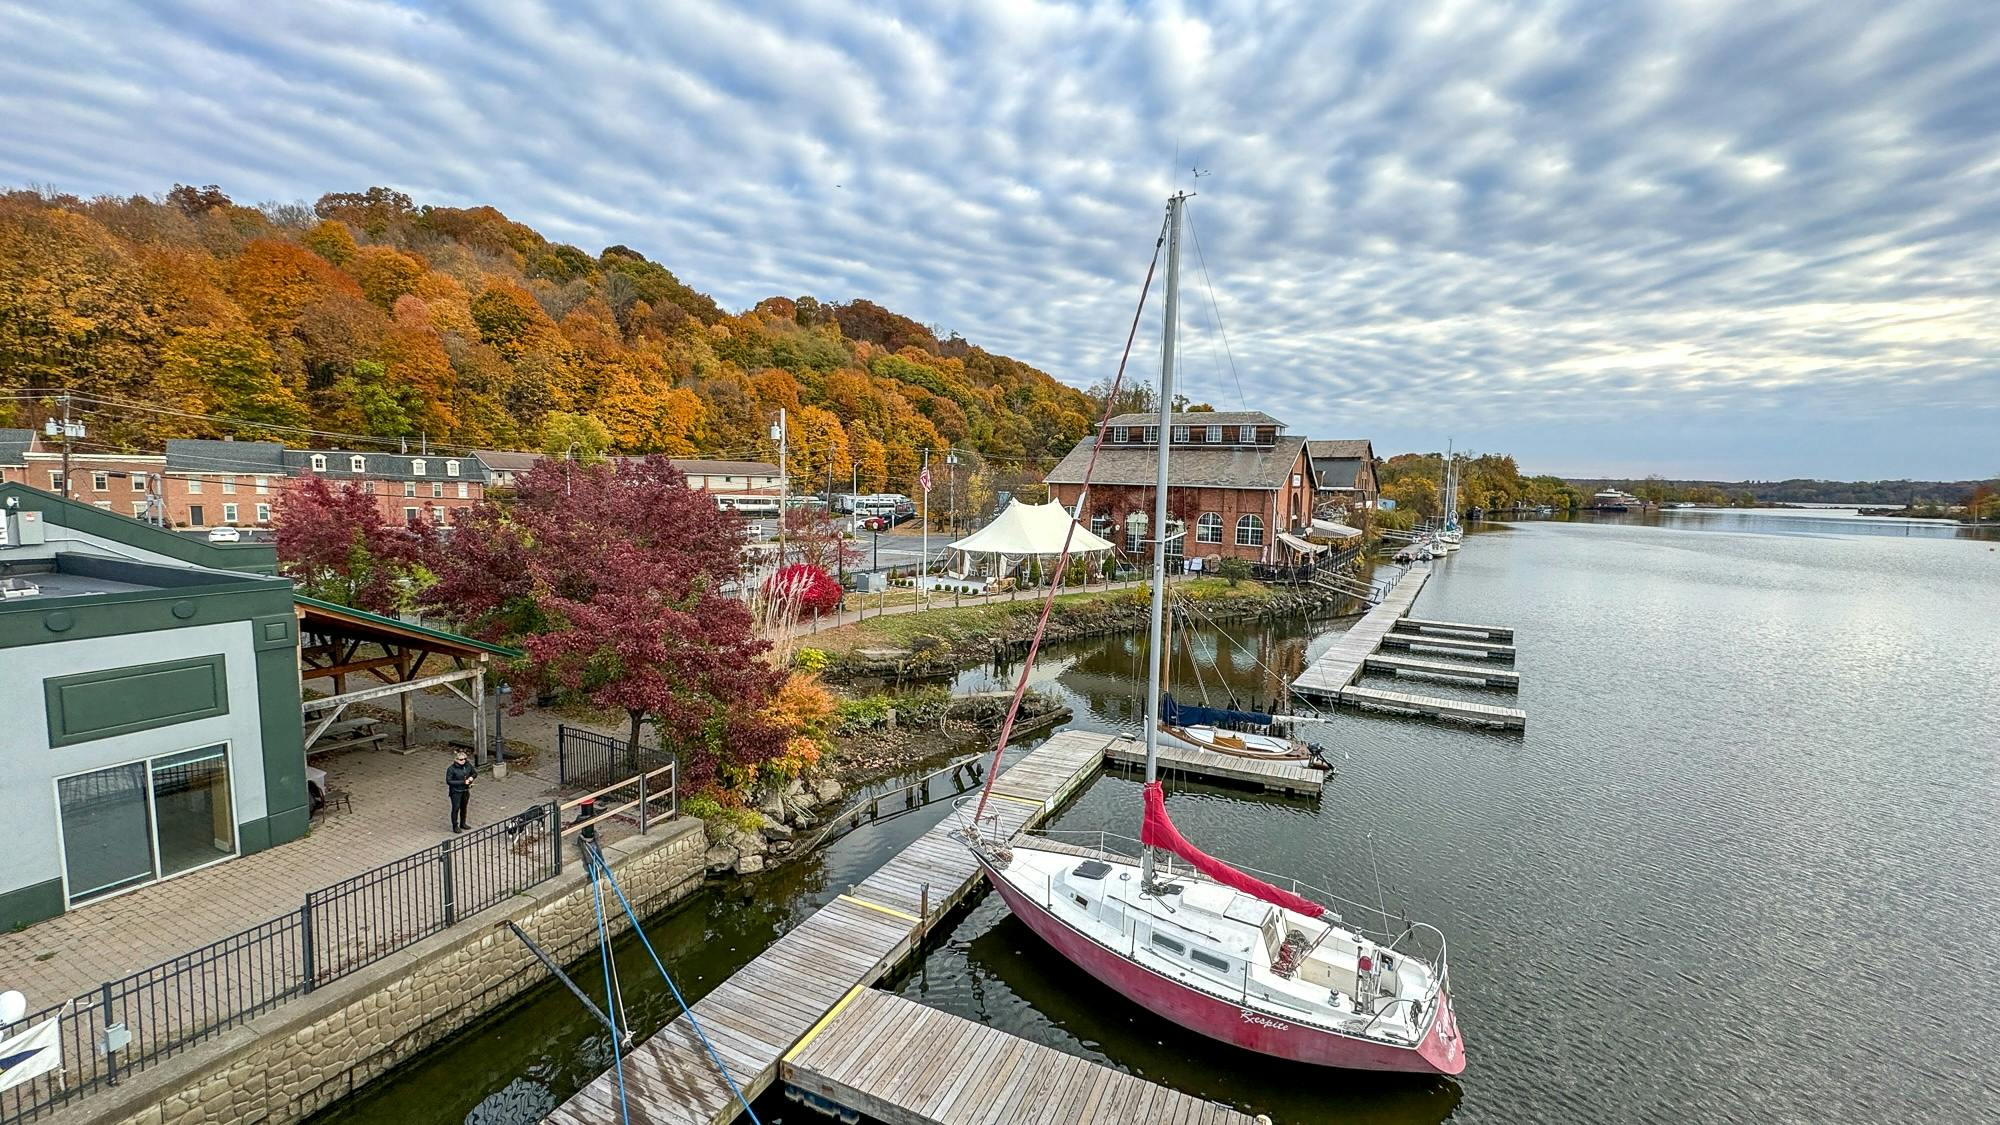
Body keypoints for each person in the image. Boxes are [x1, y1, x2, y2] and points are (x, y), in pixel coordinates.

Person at [446, 749, 476, 832]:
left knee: (464, 807)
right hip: (456, 791)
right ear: (456, 760)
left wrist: (471, 777)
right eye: (461, 759)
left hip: (465, 790)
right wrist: (463, 782)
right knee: (456, 808)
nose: (463, 761)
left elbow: (474, 773)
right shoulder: (451, 769)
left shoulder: (468, 765)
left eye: (465, 759)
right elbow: (449, 781)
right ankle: (455, 825)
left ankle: (463, 823)